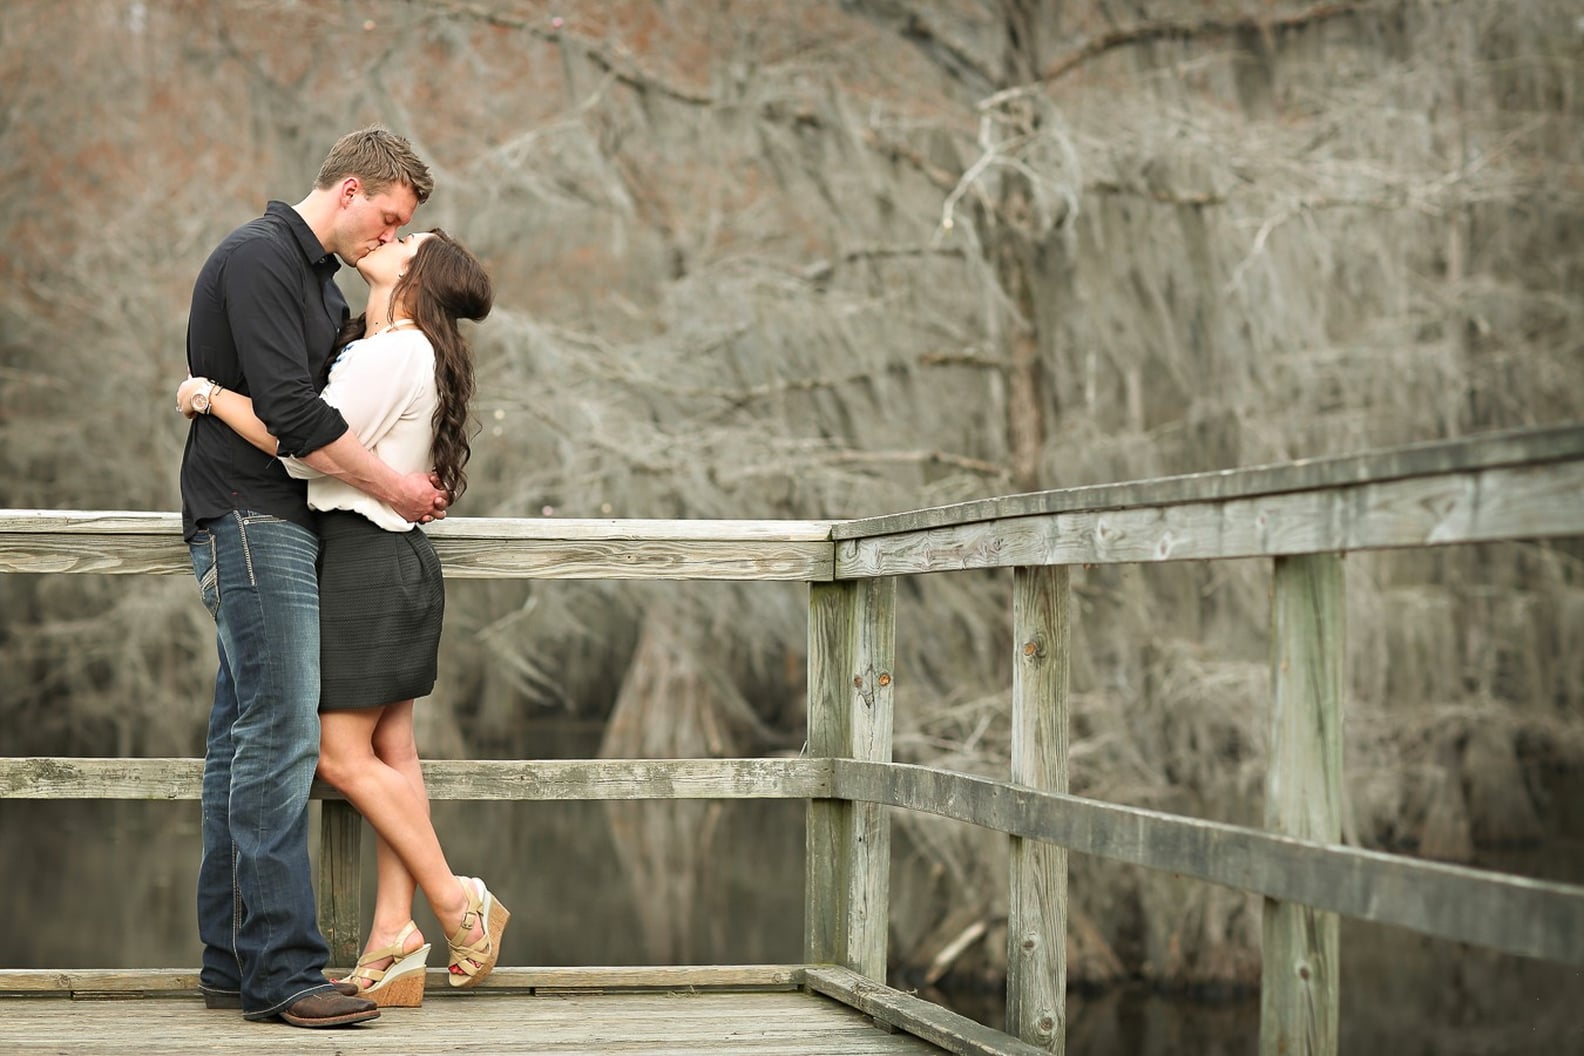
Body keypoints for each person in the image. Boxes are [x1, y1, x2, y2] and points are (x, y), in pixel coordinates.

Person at [177, 228, 508, 1009]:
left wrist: (208, 394)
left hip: (365, 560)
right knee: (392, 752)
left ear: (418, 276)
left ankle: (457, 902)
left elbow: (301, 450)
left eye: (409, 238)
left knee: (335, 752)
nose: (390, 237)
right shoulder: (386, 346)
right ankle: (394, 933)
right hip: (383, 556)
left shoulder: (393, 353)